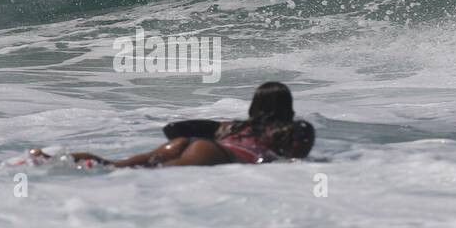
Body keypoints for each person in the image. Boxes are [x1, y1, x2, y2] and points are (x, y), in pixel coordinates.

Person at [23, 81, 315, 168]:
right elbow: (296, 156)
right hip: (214, 154)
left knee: (117, 166)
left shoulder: (233, 127)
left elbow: (174, 130)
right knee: (147, 173)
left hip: (190, 144)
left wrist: (221, 126)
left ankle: (48, 158)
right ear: (287, 107)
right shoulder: (294, 129)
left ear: (255, 105)